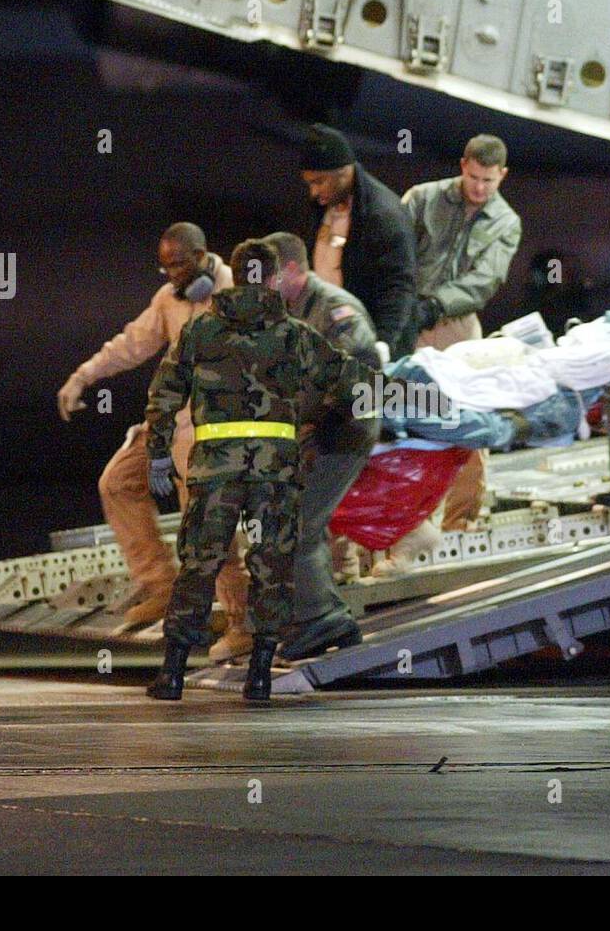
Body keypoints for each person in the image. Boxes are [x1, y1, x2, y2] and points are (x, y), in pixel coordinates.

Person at [143, 239, 376, 701]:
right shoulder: (294, 335)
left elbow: (163, 395)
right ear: (272, 279)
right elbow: (353, 381)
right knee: (272, 565)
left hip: (215, 470)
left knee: (199, 565)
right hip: (275, 470)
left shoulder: (200, 332)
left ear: (231, 273)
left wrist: (157, 452)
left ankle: (171, 675)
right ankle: (261, 675)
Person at [207, 231, 382, 663]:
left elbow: (361, 375)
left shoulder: (336, 312)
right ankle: (312, 618)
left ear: (287, 271)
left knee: (297, 524)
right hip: (306, 434)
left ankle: (323, 618)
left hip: (343, 432)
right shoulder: (280, 310)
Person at [55, 222, 233, 628]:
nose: (172, 275)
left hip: (212, 426)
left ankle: (237, 616)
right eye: (165, 267)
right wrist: (84, 376)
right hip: (173, 419)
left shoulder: (235, 294)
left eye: (179, 266)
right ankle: (161, 587)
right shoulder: (168, 300)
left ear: (203, 258)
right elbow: (132, 343)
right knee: (117, 483)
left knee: (203, 517)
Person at [400, 134, 522, 532]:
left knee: (471, 420)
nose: (479, 188)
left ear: (502, 175)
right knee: (409, 416)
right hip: (409, 320)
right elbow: (394, 252)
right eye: (473, 177)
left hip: (459, 328)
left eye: (488, 180)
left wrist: (436, 305)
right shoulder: (422, 198)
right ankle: (406, 525)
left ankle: (461, 522)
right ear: (462, 165)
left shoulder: (506, 222)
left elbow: (486, 279)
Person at [300, 123, 418, 359]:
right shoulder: (323, 202)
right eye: (309, 182)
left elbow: (399, 286)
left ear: (345, 172)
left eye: (319, 181)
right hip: (331, 331)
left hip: (368, 341)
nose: (313, 192)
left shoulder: (385, 216)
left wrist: (383, 346)